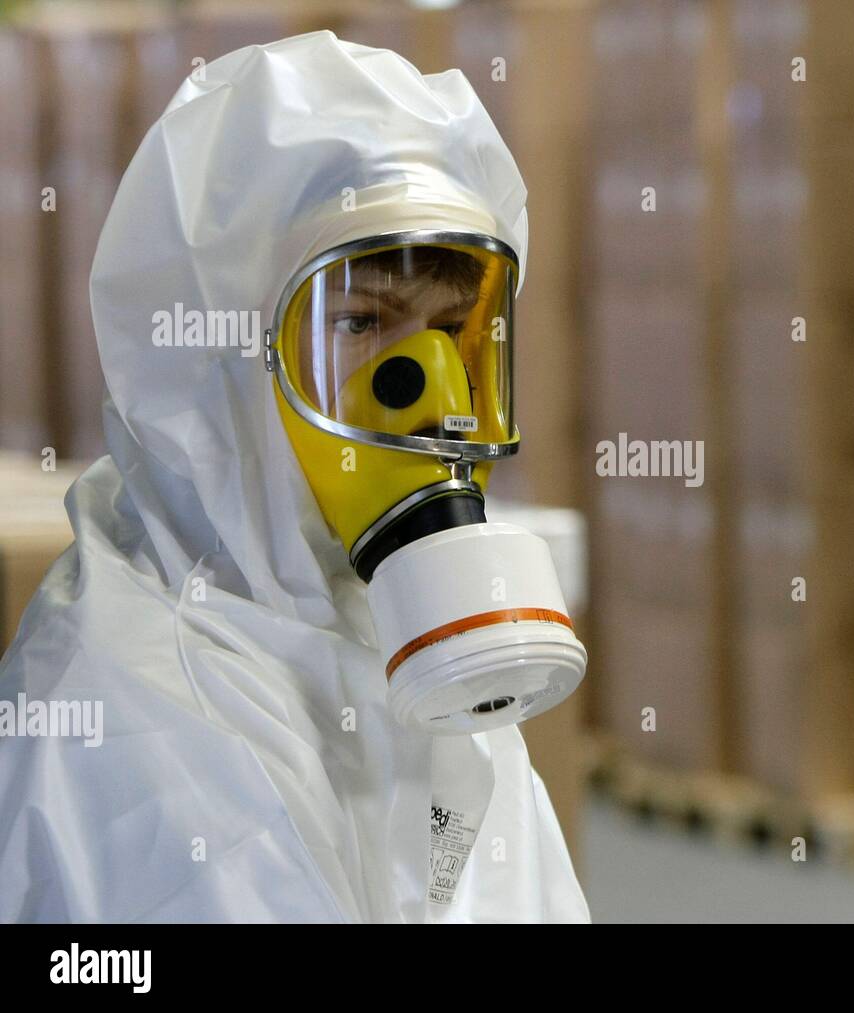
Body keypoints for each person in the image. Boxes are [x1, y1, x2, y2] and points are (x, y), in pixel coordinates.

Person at [0, 31, 590, 923]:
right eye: (359, 323)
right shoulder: (113, 721)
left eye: (452, 333)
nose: (428, 396)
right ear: (220, 365)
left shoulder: (402, 648)